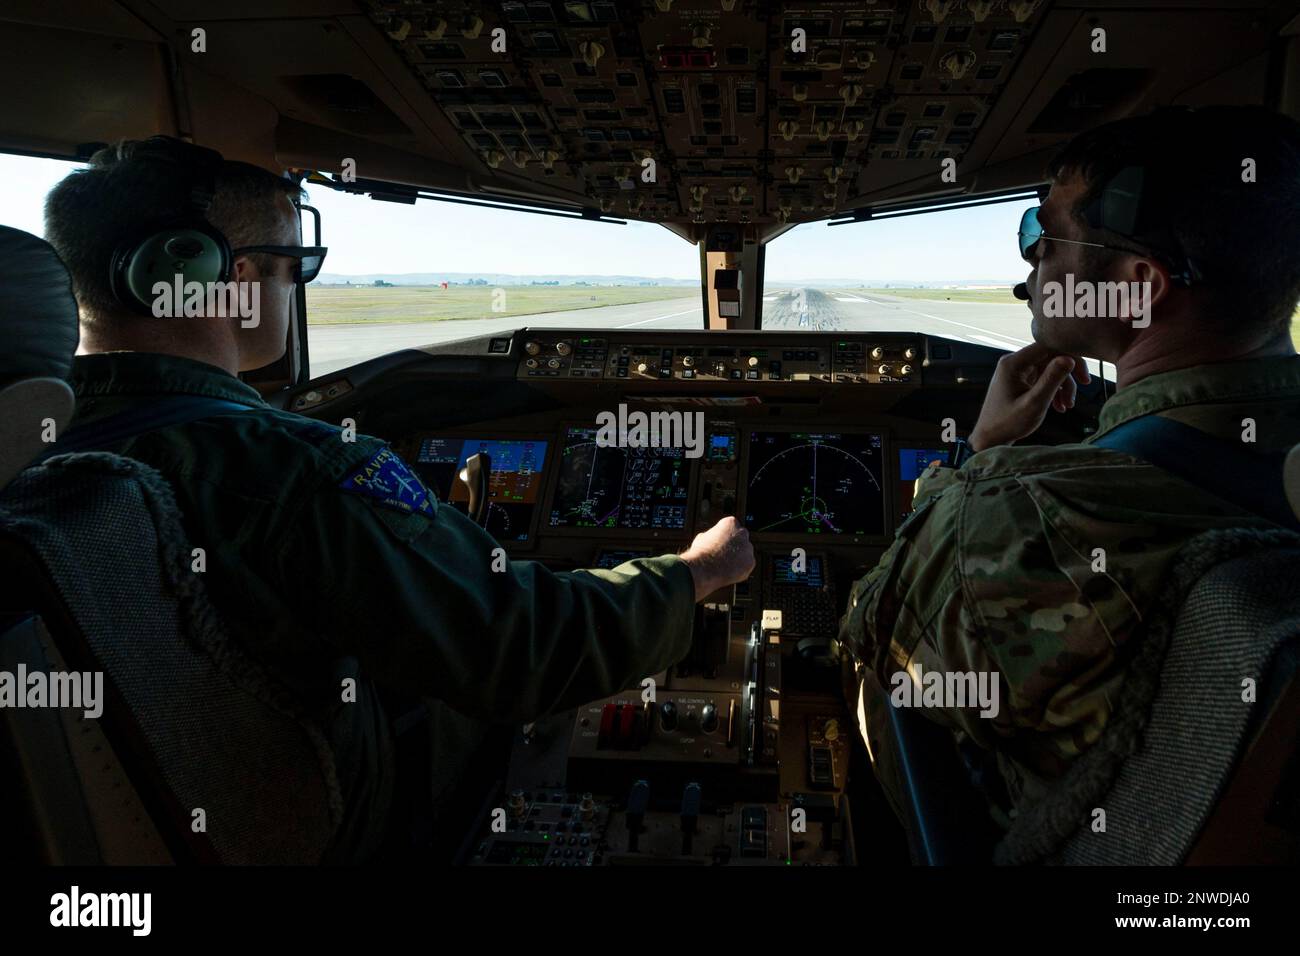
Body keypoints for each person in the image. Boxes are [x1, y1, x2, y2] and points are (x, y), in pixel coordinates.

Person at [42, 136, 755, 860]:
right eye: (298, 268)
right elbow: (524, 645)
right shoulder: (300, 472)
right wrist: (696, 573)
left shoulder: (28, 449)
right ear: (234, 274)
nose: (297, 288)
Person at [840, 105, 1300, 830]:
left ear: (1138, 285)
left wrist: (983, 456)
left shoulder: (1015, 519)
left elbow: (869, 625)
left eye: (1042, 235)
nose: (1031, 259)